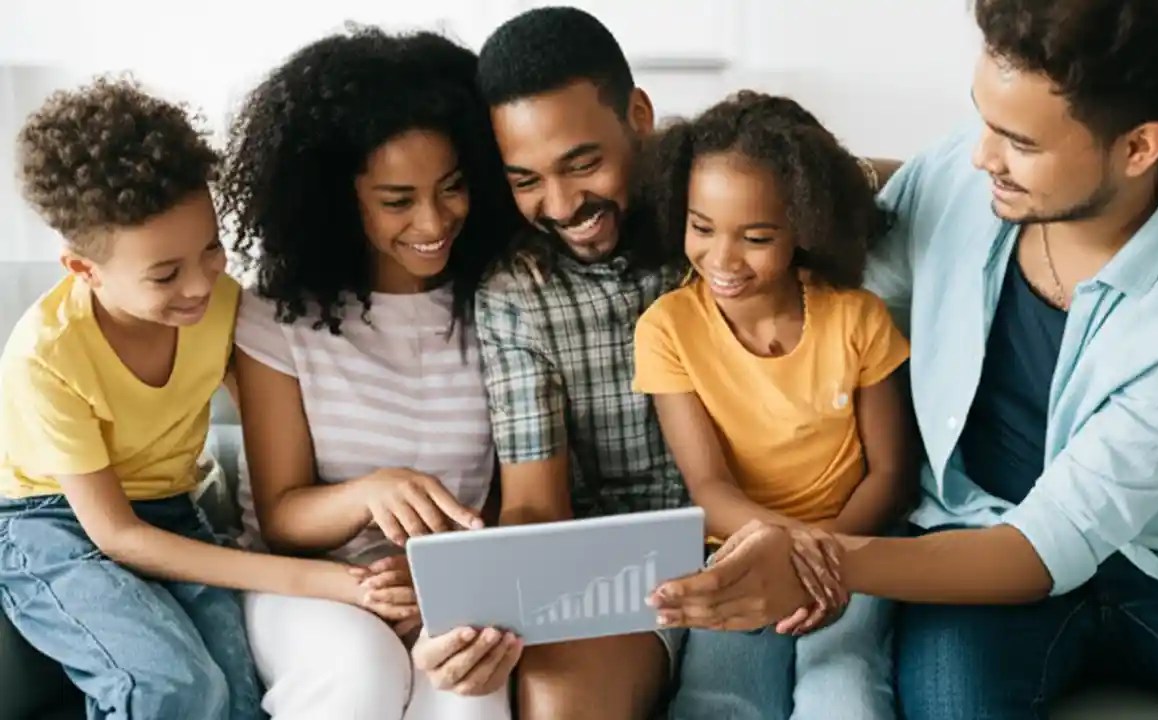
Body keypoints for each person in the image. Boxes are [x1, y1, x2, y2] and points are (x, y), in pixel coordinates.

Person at [648, 2, 1158, 719]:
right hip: (965, 545)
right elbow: (836, 226)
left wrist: (815, 561)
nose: (982, 154)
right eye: (983, 119)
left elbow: (1049, 544)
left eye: (1019, 141)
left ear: (1138, 148)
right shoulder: (964, 176)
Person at [0, 77, 389, 720]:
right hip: (53, 524)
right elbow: (117, 534)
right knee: (173, 686)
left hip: (172, 509)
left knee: (237, 697)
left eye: (210, 248)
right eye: (164, 273)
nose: (200, 282)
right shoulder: (47, 355)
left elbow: (284, 422)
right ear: (84, 271)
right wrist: (322, 581)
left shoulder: (222, 305)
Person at [219, 28, 523, 720]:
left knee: (470, 695)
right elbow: (282, 516)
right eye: (396, 200)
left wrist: (446, 583)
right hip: (311, 587)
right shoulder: (275, 317)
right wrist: (373, 493)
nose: (433, 220)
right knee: (360, 670)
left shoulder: (501, 304)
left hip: (447, 587)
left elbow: (513, 499)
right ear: (337, 198)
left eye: (452, 188)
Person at [632, 90, 916, 719]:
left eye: (756, 237)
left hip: (856, 546)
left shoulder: (856, 319)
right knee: (719, 698)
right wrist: (792, 554)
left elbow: (891, 475)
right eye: (701, 228)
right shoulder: (667, 328)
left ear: (804, 229)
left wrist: (824, 560)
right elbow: (707, 486)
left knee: (845, 693)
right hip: (731, 548)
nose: (723, 260)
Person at [470, 7, 688, 719]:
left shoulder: (722, 216)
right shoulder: (514, 296)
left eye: (583, 164)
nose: (561, 205)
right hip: (619, 584)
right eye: (525, 179)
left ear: (639, 115)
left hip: (760, 543)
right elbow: (535, 502)